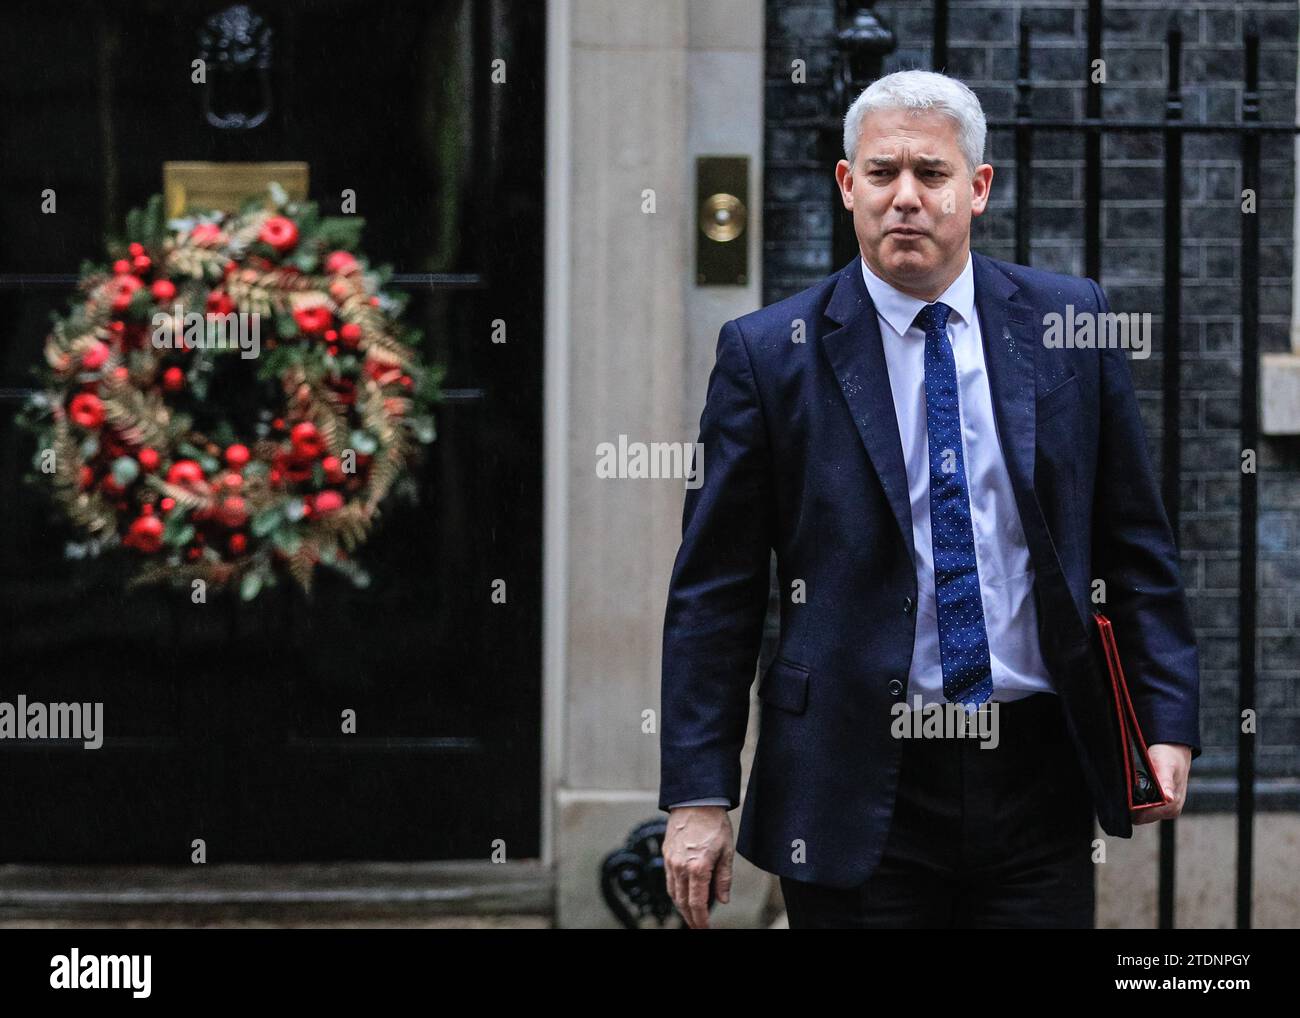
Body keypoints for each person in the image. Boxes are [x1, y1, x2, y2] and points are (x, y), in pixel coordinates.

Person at [657, 69, 1200, 929]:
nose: (905, 197)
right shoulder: (769, 356)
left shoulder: (1071, 325)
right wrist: (697, 794)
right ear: (847, 186)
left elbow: (1133, 542)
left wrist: (1165, 720)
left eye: (932, 174)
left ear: (977, 188)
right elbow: (714, 591)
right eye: (881, 174)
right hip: (851, 776)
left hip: (1037, 775)